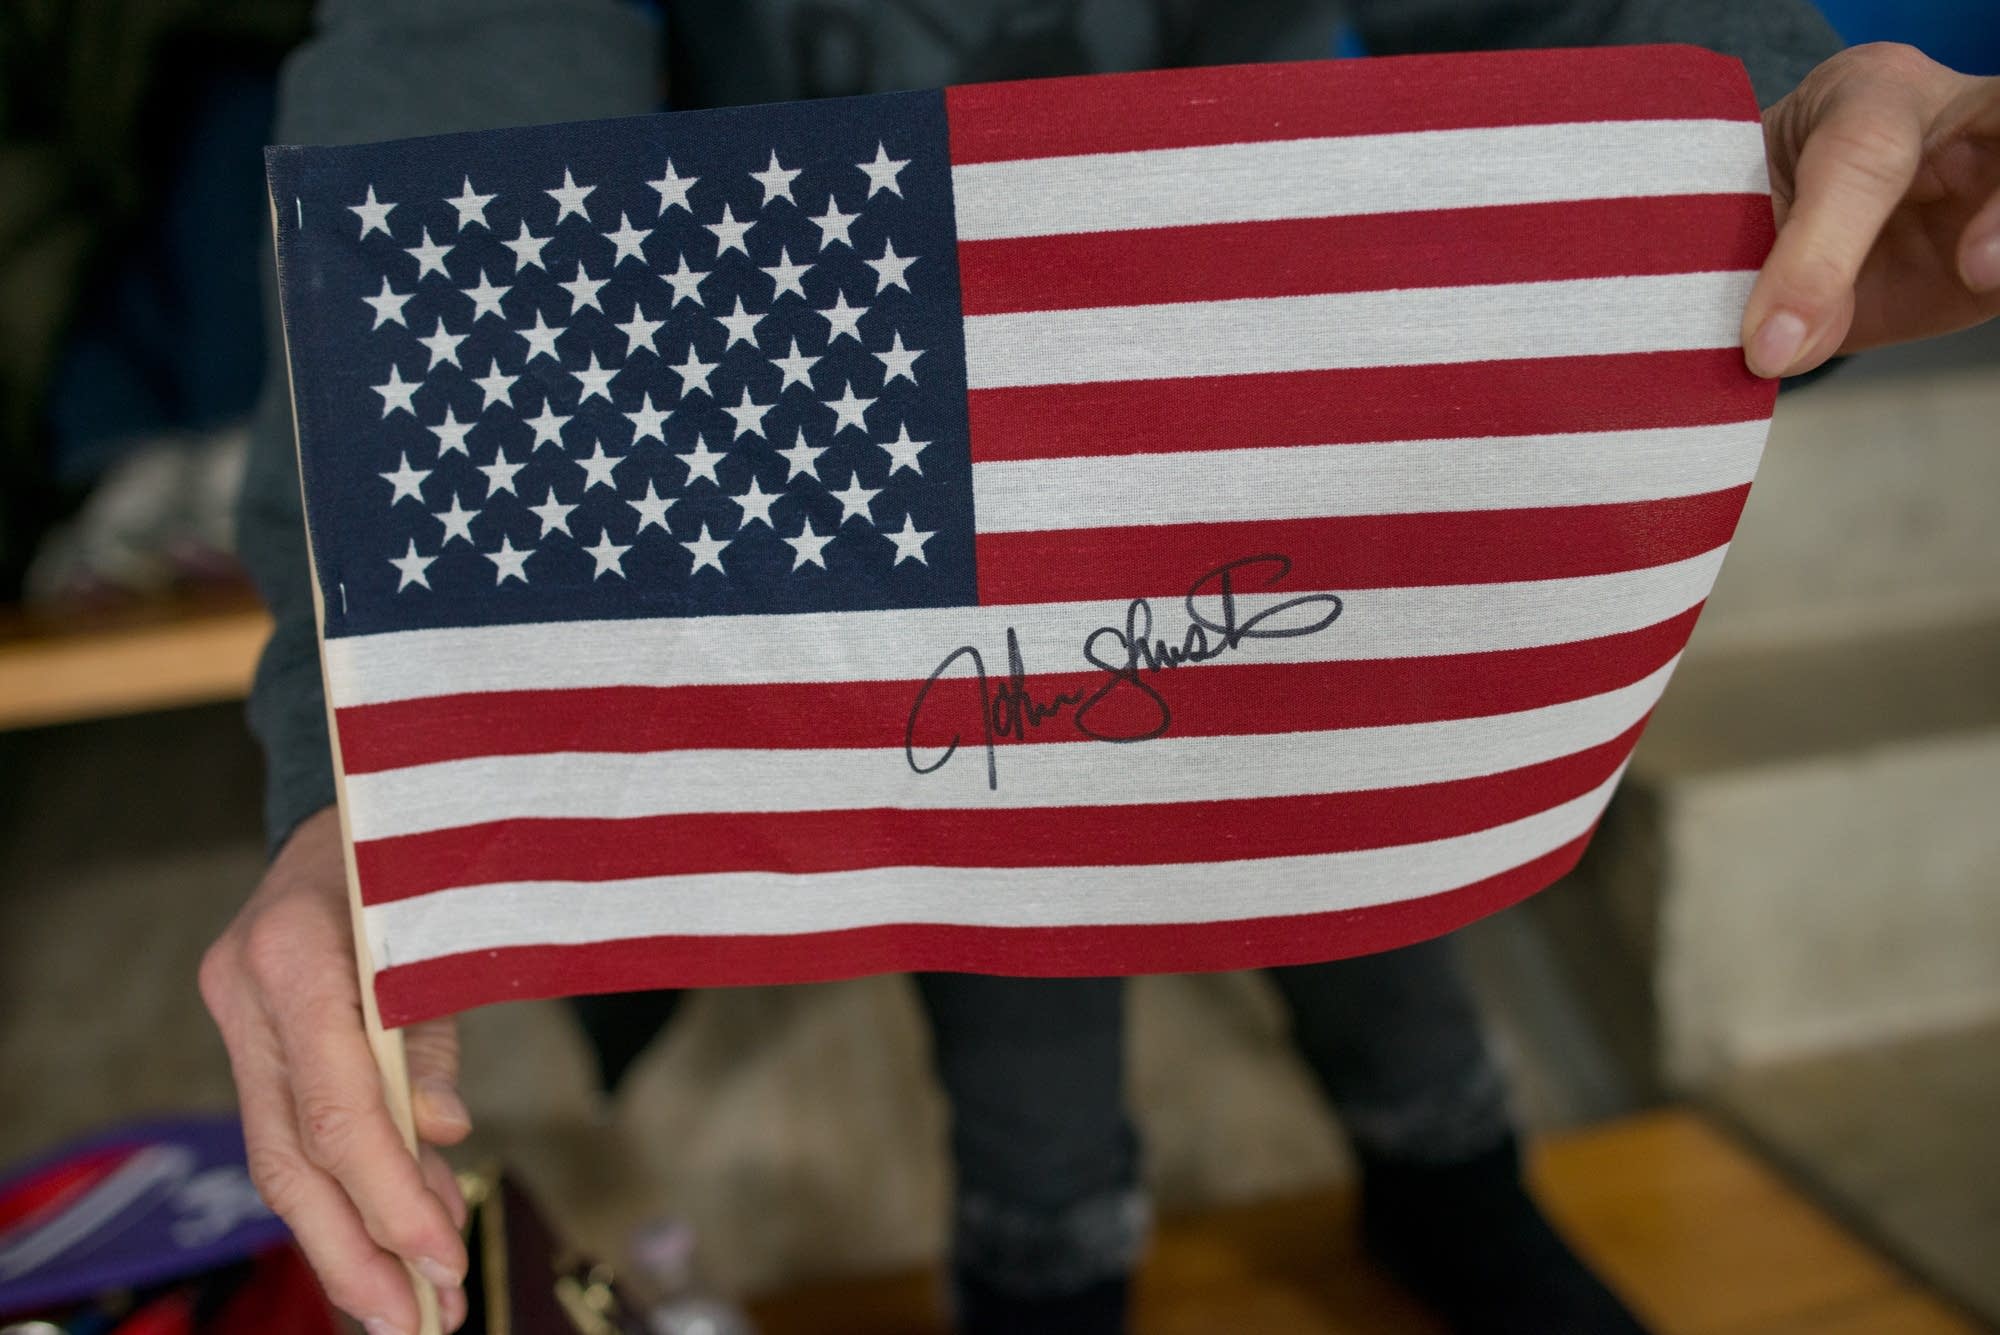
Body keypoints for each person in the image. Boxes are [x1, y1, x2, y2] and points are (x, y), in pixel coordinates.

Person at [198, 3, 2000, 1333]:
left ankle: (1450, 1181)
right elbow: (439, 107)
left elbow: (1596, 17)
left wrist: (1767, 138)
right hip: (850, 397)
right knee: (1007, 966)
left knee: (1376, 870)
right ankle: (1049, 1254)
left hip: (1297, 382)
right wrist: (363, 732)